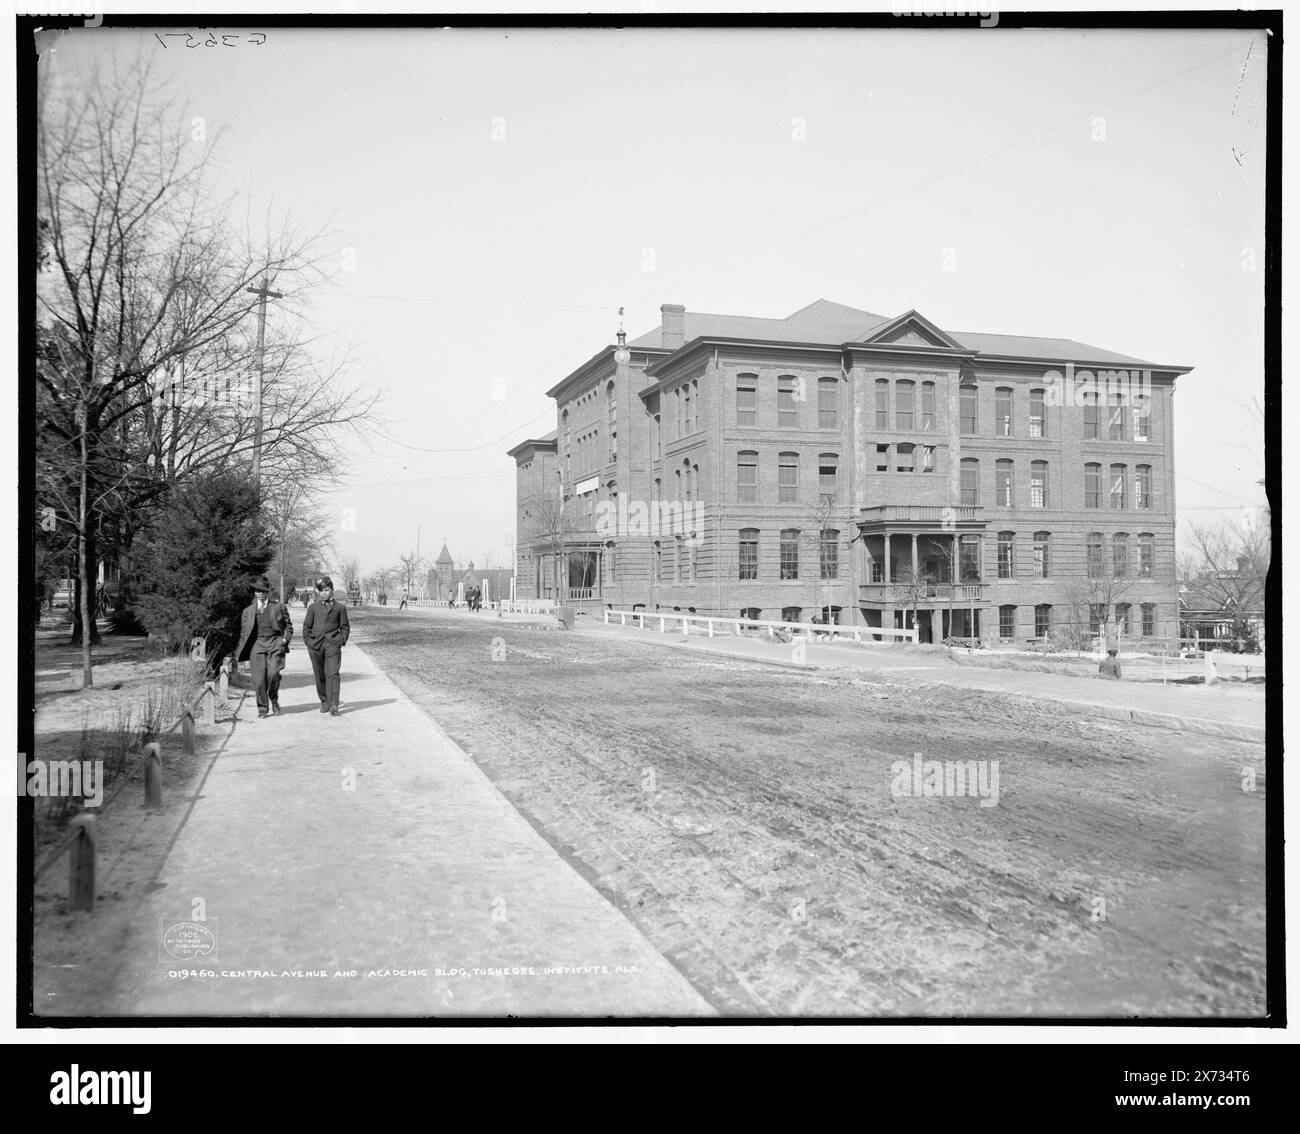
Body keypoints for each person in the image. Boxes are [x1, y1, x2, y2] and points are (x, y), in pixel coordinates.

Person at [235, 576, 293, 718]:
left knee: (273, 674)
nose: (260, 594)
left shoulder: (278, 607)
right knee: (259, 679)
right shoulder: (248, 611)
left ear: (267, 592)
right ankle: (262, 709)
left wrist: (284, 640)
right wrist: (240, 649)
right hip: (257, 645)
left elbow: (288, 626)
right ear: (254, 593)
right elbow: (244, 633)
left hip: (275, 643)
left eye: (263, 591)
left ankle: (273, 698)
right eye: (257, 591)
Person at [303, 576, 351, 716]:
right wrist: (308, 642)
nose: (324, 593)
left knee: (333, 674)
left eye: (326, 590)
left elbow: (345, 627)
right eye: (321, 591)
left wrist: (341, 640)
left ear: (332, 590)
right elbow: (306, 626)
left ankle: (334, 704)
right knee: (320, 675)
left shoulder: (340, 608)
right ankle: (324, 701)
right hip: (315, 646)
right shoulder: (313, 608)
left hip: (332, 645)